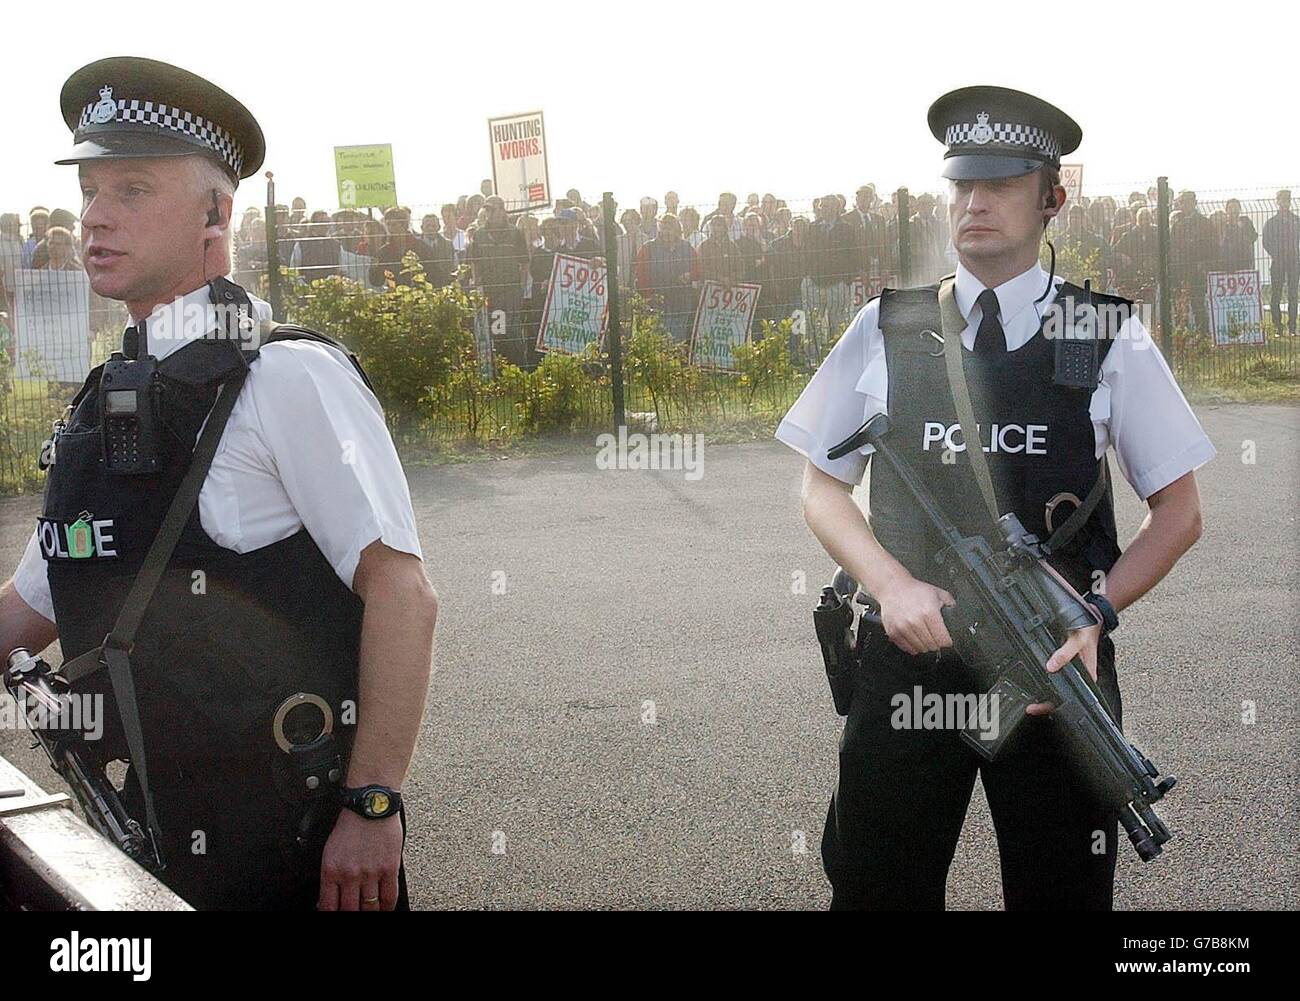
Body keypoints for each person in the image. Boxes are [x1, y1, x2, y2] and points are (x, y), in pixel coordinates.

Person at [0, 55, 437, 911]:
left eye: (131, 189)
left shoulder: (289, 377)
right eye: (90, 189)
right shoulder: (109, 401)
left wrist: (373, 803)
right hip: (143, 841)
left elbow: (405, 593)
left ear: (215, 213)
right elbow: (32, 604)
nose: (94, 216)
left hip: (292, 851)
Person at [775, 85, 1213, 911]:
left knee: (1061, 892)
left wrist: (1097, 612)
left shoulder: (1098, 331)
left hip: (1051, 668)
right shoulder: (889, 325)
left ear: (1052, 197)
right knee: (878, 889)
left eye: (1002, 183)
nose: (974, 202)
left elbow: (1180, 513)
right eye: (961, 184)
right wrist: (892, 586)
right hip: (911, 669)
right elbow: (823, 489)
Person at [635, 213, 699, 342]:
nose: (666, 232)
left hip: (681, 301)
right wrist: (648, 296)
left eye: (670, 228)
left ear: (677, 230)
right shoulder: (648, 248)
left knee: (677, 339)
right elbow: (640, 274)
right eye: (663, 228)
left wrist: (689, 275)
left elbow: (698, 269)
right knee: (658, 339)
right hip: (657, 301)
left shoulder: (686, 247)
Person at [1262, 189, 1298, 334]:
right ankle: (1277, 326)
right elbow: (1266, 241)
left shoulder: (1296, 220)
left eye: (1287, 200)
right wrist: (1275, 254)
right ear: (1277, 202)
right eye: (1282, 200)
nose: (1285, 203)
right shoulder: (1271, 223)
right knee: (1276, 293)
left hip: (1294, 261)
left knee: (1293, 294)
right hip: (1278, 262)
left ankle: (1292, 326)